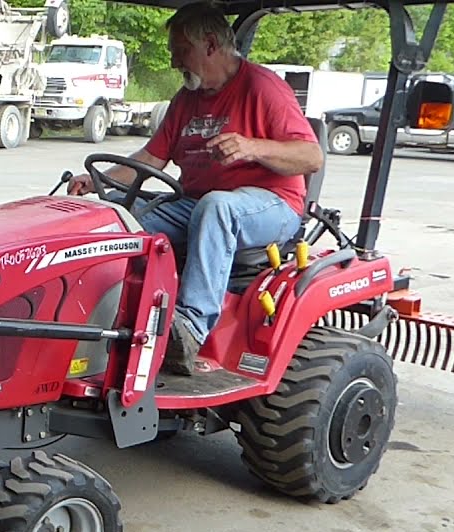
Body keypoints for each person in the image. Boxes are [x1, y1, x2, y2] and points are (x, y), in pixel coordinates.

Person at [66, 1, 322, 376]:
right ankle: (103, 318)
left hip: (272, 206)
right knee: (119, 217)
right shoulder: (186, 100)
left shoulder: (263, 88)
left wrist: (252, 147)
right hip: (197, 203)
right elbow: (150, 159)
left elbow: (311, 156)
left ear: (210, 45)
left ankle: (188, 328)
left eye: (180, 51)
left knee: (217, 207)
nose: (173, 62)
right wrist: (100, 180)